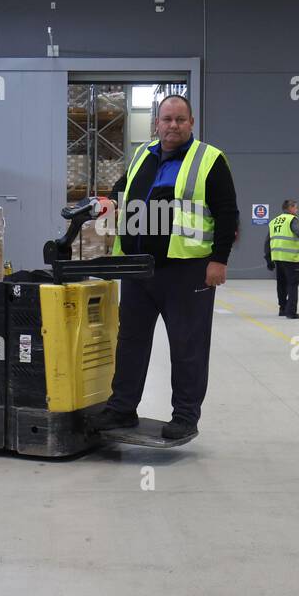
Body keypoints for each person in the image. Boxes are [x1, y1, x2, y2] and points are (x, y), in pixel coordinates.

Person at [92, 95, 238, 441]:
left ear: (191, 123)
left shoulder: (209, 160)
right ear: (156, 123)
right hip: (138, 270)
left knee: (188, 346)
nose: (173, 126)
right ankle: (122, 409)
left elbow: (227, 212)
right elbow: (122, 190)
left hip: (186, 271)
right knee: (130, 342)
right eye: (167, 119)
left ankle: (185, 416)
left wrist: (219, 260)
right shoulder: (144, 154)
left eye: (180, 120)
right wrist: (108, 201)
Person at [265, 200, 299, 319]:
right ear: (290, 208)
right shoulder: (291, 219)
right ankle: (291, 311)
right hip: (290, 258)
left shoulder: (274, 221)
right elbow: (298, 232)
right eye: (296, 208)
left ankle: (283, 309)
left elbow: (267, 241)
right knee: (292, 285)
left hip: (278, 257)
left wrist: (268, 258)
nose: (297, 210)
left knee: (281, 284)